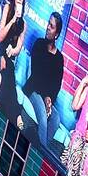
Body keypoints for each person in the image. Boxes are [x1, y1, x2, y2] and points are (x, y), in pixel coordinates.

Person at [19, 11, 65, 147]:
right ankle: (40, 153)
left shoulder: (59, 58)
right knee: (43, 120)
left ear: (56, 34)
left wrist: (50, 99)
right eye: (48, 24)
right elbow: (37, 74)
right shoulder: (38, 44)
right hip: (33, 89)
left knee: (56, 119)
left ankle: (37, 146)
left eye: (51, 26)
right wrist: (46, 97)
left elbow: (57, 84)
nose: (47, 28)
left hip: (46, 96)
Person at [0, 0, 27, 121]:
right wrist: (12, 20)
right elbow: (0, 38)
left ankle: (9, 113)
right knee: (7, 72)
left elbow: (18, 47)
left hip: (9, 56)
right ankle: (16, 114)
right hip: (0, 50)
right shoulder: (7, 8)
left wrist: (14, 50)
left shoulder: (24, 24)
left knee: (9, 74)